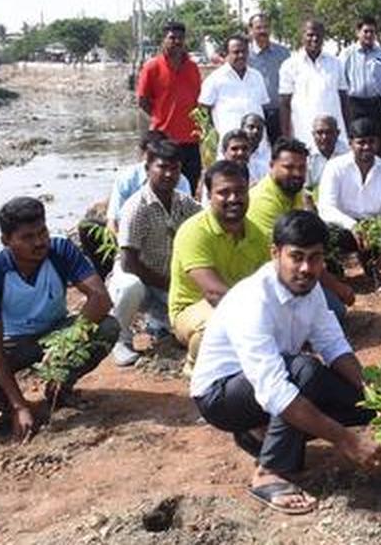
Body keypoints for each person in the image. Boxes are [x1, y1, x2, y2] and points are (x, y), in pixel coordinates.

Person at [190, 210, 377, 515]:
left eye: (315, 258)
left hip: (274, 380)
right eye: (296, 257)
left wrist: (371, 389)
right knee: (303, 370)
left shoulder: (313, 290)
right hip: (221, 394)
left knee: (365, 403)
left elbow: (332, 344)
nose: (306, 268)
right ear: (275, 253)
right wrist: (346, 440)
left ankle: (260, 432)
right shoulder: (252, 300)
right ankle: (269, 474)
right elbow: (274, 389)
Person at [0, 197, 117, 440]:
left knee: (107, 327)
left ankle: (60, 388)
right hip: (7, 345)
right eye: (27, 237)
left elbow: (100, 298)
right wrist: (20, 407)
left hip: (53, 334)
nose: (40, 242)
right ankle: (6, 401)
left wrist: (66, 343)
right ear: (6, 241)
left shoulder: (60, 249)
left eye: (42, 232)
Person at [169, 161, 270, 376]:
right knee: (214, 326)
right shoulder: (194, 231)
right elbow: (214, 293)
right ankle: (194, 364)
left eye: (240, 191)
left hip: (240, 307)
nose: (233, 198)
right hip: (194, 309)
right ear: (209, 195)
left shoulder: (257, 235)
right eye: (224, 192)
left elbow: (268, 285)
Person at [108, 140, 202, 366]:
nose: (169, 174)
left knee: (187, 331)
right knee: (131, 287)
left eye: (175, 168)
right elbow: (129, 263)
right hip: (140, 279)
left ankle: (158, 323)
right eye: (163, 167)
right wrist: (169, 284)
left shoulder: (185, 203)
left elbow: (207, 223)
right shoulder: (136, 207)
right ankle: (120, 339)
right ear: (148, 168)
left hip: (168, 284)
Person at [248, 137, 356, 319]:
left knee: (333, 309)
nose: (297, 173)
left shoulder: (292, 191)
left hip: (291, 266)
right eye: (289, 167)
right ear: (272, 165)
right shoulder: (264, 201)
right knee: (333, 311)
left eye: (301, 168)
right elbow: (288, 256)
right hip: (265, 274)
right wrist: (336, 286)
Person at [317, 117, 381, 270]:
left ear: (378, 142)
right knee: (325, 235)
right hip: (345, 228)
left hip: (375, 229)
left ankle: (374, 262)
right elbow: (326, 208)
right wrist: (353, 226)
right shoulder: (335, 167)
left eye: (371, 142)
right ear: (351, 143)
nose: (366, 147)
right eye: (361, 142)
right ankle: (334, 271)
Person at [137, 20, 203, 188]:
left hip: (190, 139)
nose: (177, 42)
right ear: (164, 40)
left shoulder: (192, 67)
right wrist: (161, 115)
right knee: (162, 185)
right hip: (163, 140)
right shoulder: (152, 67)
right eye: (172, 38)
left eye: (180, 38)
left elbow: (197, 100)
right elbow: (142, 100)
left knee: (190, 184)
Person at [279, 20, 349, 149]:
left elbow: (343, 98)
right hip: (303, 130)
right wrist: (286, 136)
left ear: (324, 37)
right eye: (310, 35)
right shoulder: (289, 65)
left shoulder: (335, 63)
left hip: (333, 132)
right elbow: (285, 104)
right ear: (302, 36)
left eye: (318, 35)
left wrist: (349, 131)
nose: (314, 39)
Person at [107, 130, 191, 231]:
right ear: (142, 154)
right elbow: (113, 220)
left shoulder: (180, 180)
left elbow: (186, 220)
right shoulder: (127, 178)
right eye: (150, 154)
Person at [198, 35, 270, 143]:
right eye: (236, 52)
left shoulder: (257, 76)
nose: (241, 55)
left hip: (258, 145)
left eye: (244, 51)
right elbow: (203, 110)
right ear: (226, 54)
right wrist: (211, 138)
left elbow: (263, 107)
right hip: (230, 146)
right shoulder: (215, 79)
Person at [341, 16, 381, 150]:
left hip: (375, 105)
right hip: (354, 105)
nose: (369, 35)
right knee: (356, 141)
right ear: (358, 32)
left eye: (372, 32)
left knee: (376, 143)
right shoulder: (347, 54)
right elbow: (341, 84)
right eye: (365, 31)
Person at [246, 13, 291, 144]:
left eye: (266, 27)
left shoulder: (283, 53)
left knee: (280, 150)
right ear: (250, 30)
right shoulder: (244, 54)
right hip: (254, 113)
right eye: (258, 27)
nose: (263, 31)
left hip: (279, 113)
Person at [306, 115, 350, 191]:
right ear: (313, 134)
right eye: (319, 133)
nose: (324, 137)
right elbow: (306, 190)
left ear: (338, 133)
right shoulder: (306, 155)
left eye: (329, 132)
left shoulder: (349, 153)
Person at [240, 112, 271, 185]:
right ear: (242, 129)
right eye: (251, 127)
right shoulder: (234, 154)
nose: (255, 131)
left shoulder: (269, 157)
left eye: (259, 129)